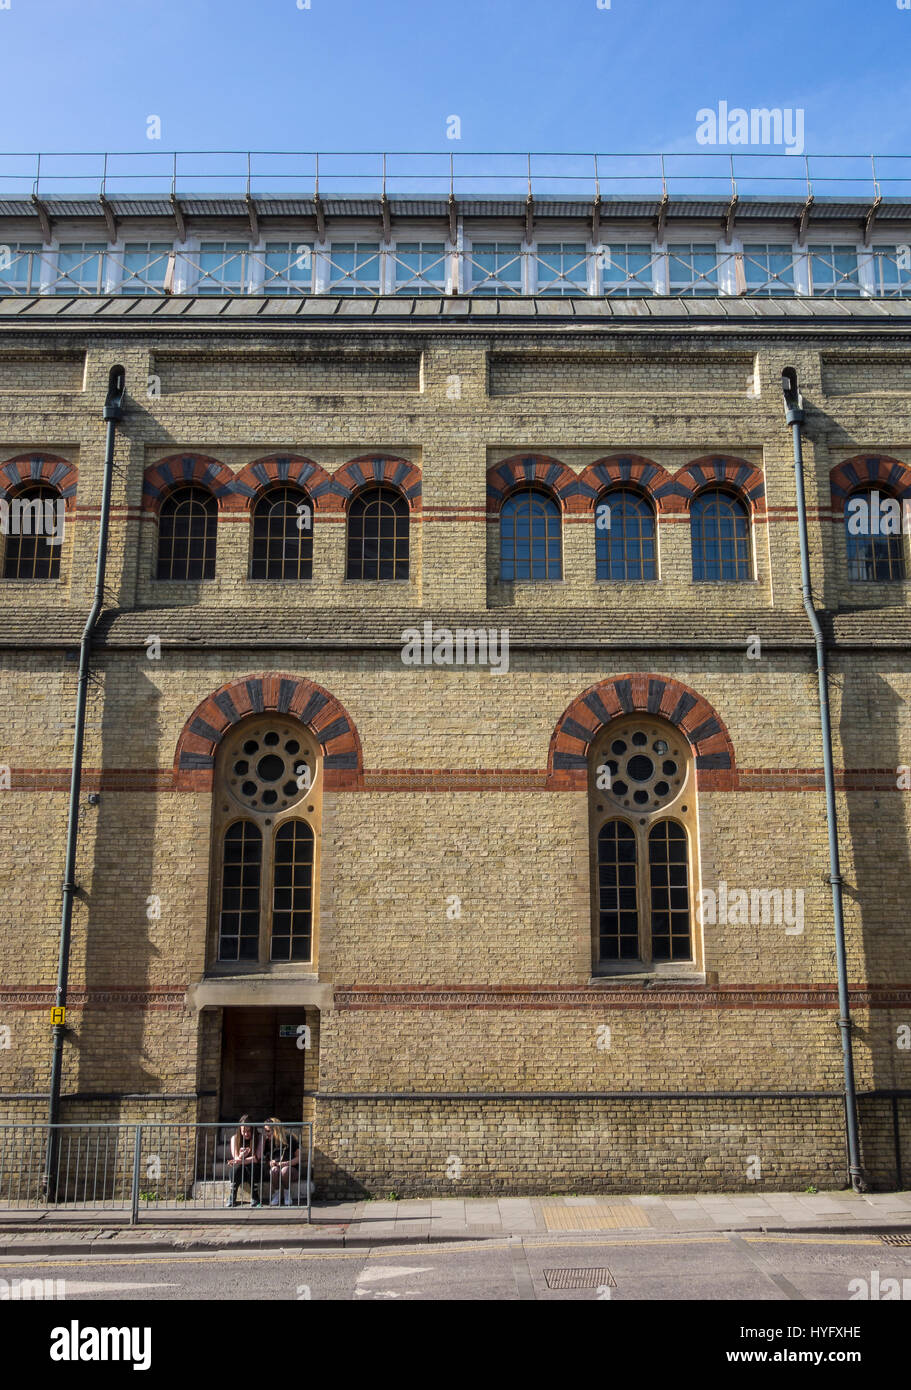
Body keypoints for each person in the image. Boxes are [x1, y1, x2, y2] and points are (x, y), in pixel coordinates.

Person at [262, 1118, 302, 1206]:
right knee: (274, 1170)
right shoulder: (268, 1142)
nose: (266, 1134)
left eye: (268, 1131)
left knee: (285, 1170)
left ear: (275, 1130)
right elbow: (266, 1158)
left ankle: (287, 1194)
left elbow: (298, 1158)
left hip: (291, 1169)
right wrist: (270, 1162)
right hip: (276, 1169)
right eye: (265, 1131)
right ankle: (276, 1194)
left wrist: (286, 1163)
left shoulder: (290, 1138)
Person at [225, 1115, 263, 1208]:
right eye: (243, 1131)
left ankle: (255, 1196)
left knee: (252, 1167)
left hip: (254, 1168)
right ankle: (232, 1196)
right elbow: (236, 1157)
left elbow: (257, 1158)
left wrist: (240, 1160)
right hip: (241, 1169)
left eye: (249, 1131)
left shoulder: (260, 1137)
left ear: (253, 1129)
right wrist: (242, 1156)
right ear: (240, 1130)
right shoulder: (234, 1138)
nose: (246, 1134)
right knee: (236, 1168)